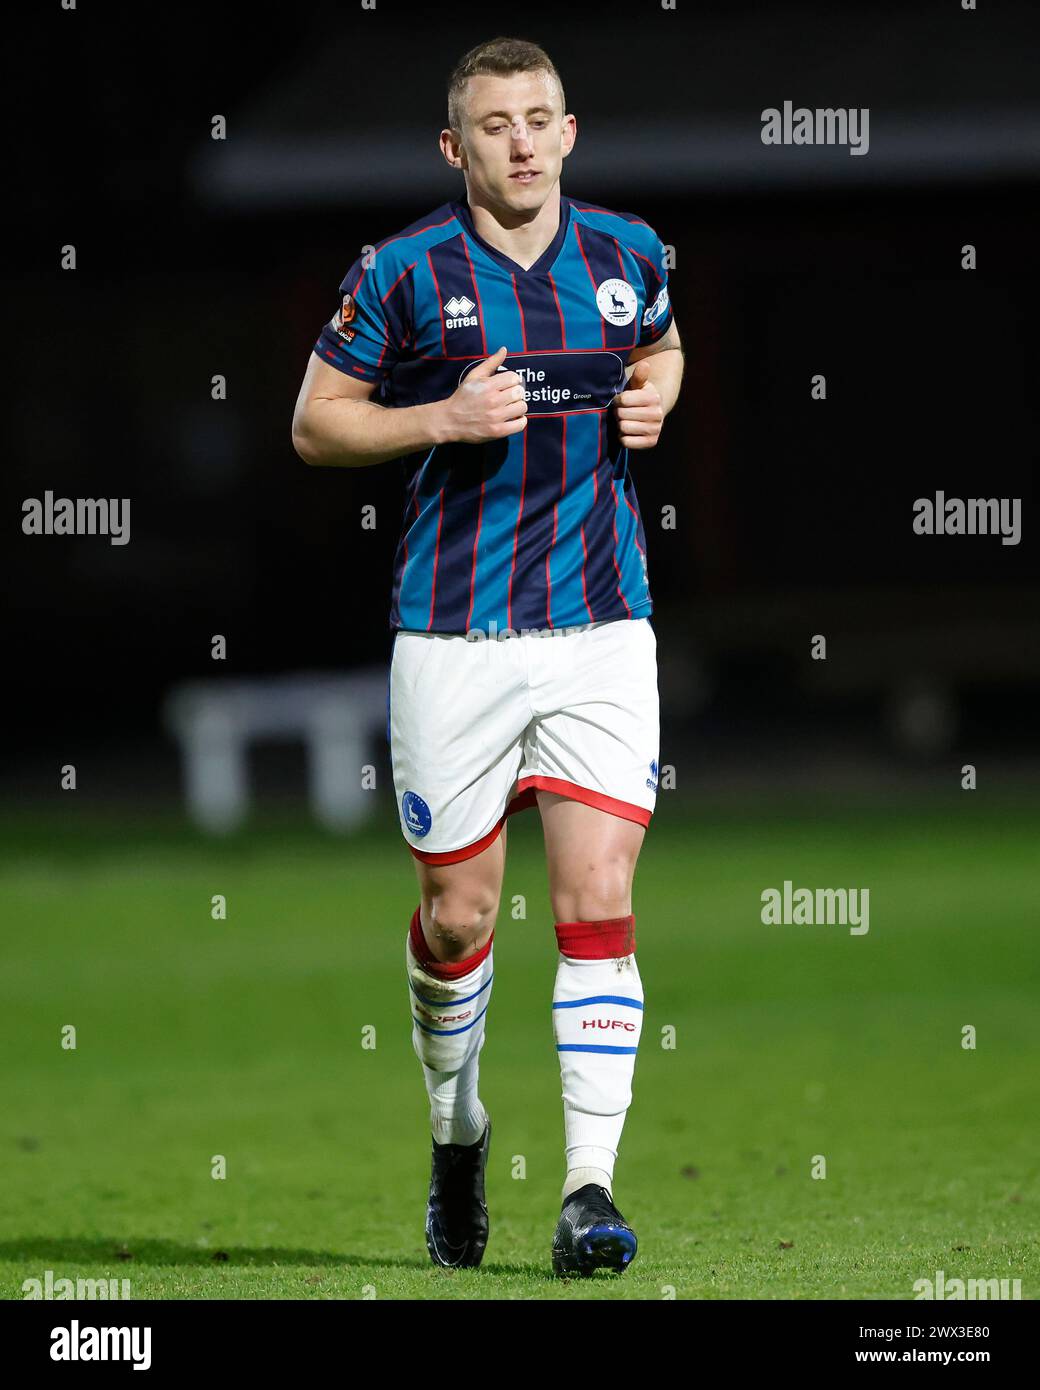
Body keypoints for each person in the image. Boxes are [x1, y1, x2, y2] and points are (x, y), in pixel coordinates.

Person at [292, 34, 684, 1278]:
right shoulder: (404, 271)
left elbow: (660, 347)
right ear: (453, 147)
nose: (520, 141)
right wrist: (437, 417)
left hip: (601, 630)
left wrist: (658, 394)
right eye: (493, 124)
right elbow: (315, 422)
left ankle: (586, 1193)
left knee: (596, 896)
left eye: (539, 118)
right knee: (457, 917)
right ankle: (456, 1130)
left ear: (569, 132)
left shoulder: (628, 255)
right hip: (453, 639)